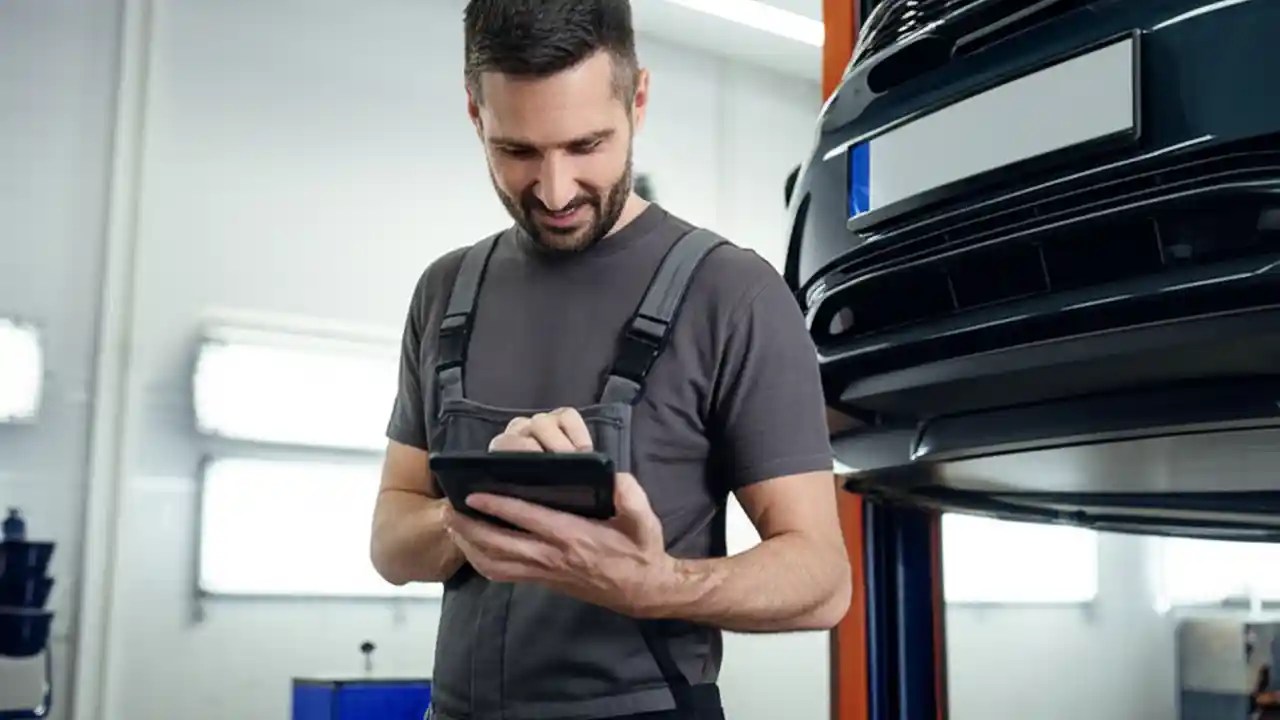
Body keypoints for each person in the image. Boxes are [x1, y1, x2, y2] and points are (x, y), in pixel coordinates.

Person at [369, 2, 851, 718]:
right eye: (518, 152)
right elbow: (389, 539)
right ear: (475, 114)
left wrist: (653, 583)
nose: (556, 191)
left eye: (586, 145)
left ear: (640, 99)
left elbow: (822, 578)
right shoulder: (446, 290)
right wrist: (467, 522)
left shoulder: (733, 295)